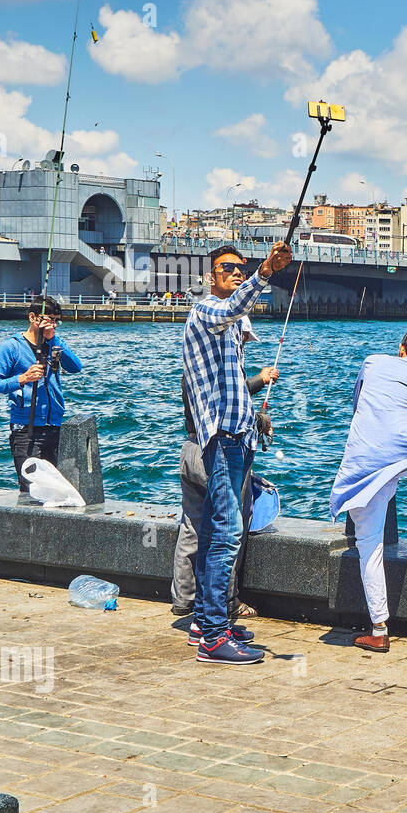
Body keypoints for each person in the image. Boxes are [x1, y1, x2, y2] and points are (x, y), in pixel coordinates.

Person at [183, 242, 290, 665]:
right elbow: (230, 310)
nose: (235, 273)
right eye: (226, 268)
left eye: (240, 269)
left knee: (214, 532)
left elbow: (231, 388)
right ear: (211, 276)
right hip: (221, 441)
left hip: (237, 437)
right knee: (227, 534)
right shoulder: (205, 311)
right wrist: (264, 272)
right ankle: (212, 637)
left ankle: (209, 621)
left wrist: (256, 420)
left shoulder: (231, 330)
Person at [330, 328, 407, 655]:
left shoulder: (371, 362)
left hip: (360, 466)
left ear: (401, 349)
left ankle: (379, 630)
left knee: (369, 548)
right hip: (398, 460)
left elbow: (357, 404)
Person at [170, 316, 276, 640]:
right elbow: (227, 407)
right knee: (227, 534)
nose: (243, 343)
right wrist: (259, 390)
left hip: (191, 448)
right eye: (242, 338)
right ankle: (222, 613)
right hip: (215, 453)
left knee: (194, 529)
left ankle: (189, 604)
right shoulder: (220, 365)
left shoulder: (196, 363)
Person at [0, 295, 83, 491]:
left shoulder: (55, 343)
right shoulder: (11, 347)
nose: (52, 324)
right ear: (32, 317)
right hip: (25, 430)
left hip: (54, 427)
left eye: (56, 320)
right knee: (32, 490)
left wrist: (53, 339)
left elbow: (76, 367)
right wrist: (22, 378)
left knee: (56, 491)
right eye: (48, 319)